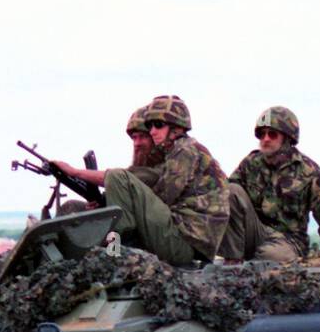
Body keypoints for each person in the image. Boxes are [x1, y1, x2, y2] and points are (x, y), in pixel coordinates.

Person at [51, 95, 229, 266]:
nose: (153, 132)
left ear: (177, 127)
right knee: (88, 200)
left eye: (158, 125)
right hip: (185, 241)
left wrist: (75, 172)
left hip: (184, 244)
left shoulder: (185, 151)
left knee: (117, 176)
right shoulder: (182, 152)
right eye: (150, 126)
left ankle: (120, 250)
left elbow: (163, 197)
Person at [230, 106, 320, 262]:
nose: (265, 139)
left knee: (269, 257)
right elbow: (226, 199)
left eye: (272, 134)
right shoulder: (250, 163)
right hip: (255, 233)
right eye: (261, 134)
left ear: (287, 138)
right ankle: (232, 257)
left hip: (289, 242)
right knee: (230, 191)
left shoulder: (308, 171)